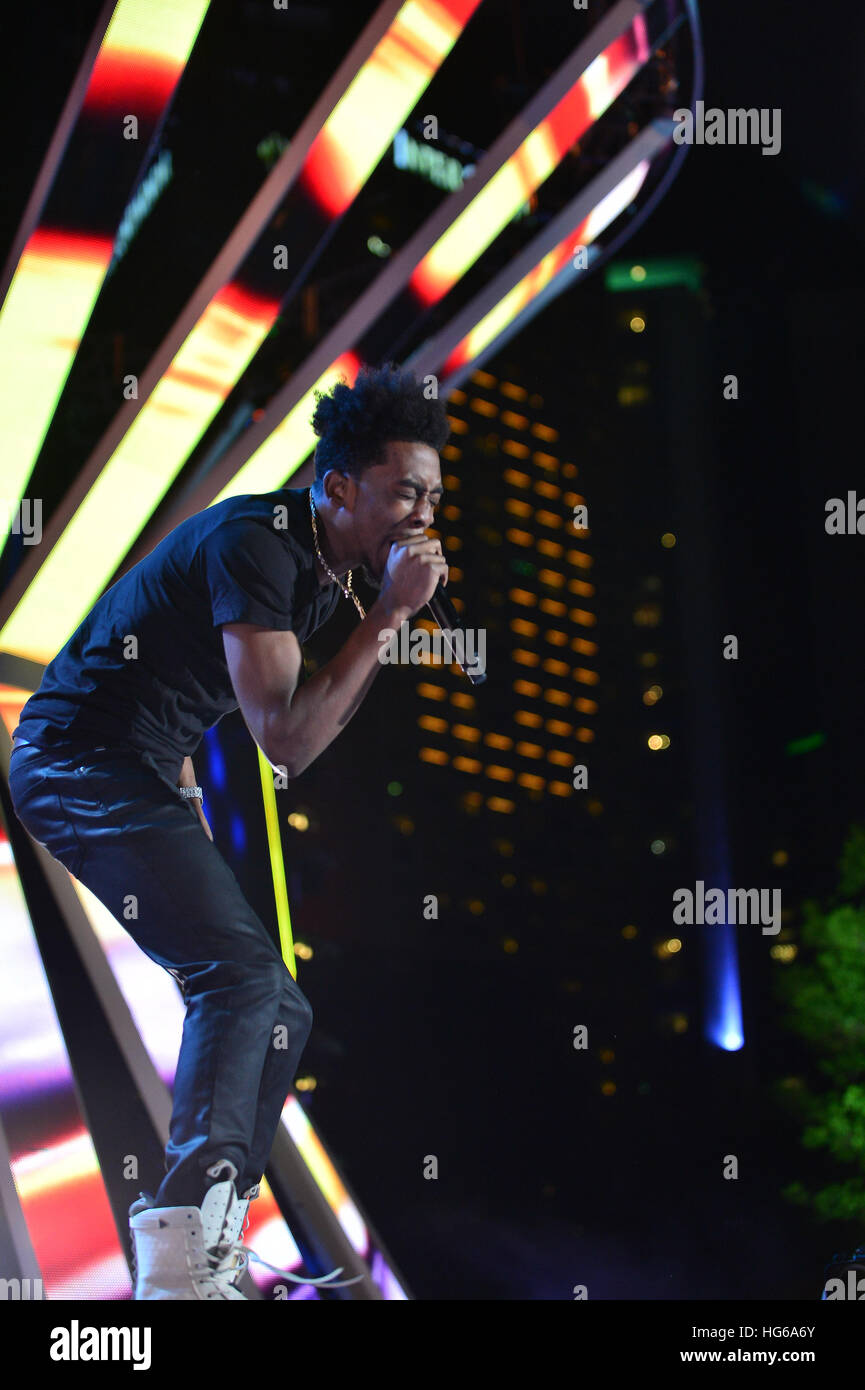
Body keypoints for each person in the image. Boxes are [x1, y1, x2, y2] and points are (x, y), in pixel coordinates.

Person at [7, 362, 450, 1299]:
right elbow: (286, 742)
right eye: (407, 491)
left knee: (283, 1007)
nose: (425, 515)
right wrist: (390, 617)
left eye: (435, 496)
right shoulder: (262, 544)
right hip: (74, 766)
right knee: (239, 980)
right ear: (337, 486)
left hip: (137, 775)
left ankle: (203, 1239)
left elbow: (257, 716)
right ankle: (174, 1254)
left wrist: (371, 615)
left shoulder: (326, 577)